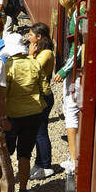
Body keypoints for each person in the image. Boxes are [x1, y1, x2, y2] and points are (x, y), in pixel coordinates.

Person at [0, 31, 48, 192]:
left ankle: (5, 189)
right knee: (25, 153)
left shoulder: (8, 67)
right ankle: (23, 190)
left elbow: (4, 93)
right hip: (34, 113)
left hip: (13, 115)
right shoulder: (34, 63)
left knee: (6, 153)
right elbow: (45, 88)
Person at [54, 0, 87, 174]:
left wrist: (64, 70)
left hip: (76, 72)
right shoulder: (82, 8)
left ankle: (74, 159)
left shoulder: (78, 13)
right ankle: (74, 155)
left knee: (71, 110)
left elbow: (79, 48)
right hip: (77, 70)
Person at [28, 23, 59, 179]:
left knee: (40, 132)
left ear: (38, 37)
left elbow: (31, 70)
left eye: (30, 35)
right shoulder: (42, 52)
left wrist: (29, 54)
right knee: (37, 131)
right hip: (38, 95)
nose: (28, 38)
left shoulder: (46, 53)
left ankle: (46, 165)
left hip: (43, 96)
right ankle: (39, 162)